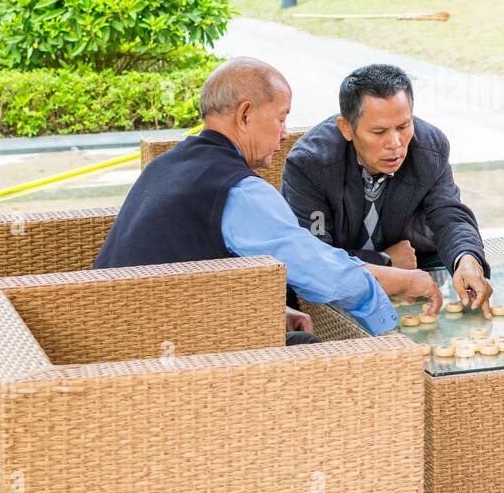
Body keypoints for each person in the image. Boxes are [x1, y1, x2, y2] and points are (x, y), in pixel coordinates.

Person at [93, 57, 442, 340]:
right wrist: (405, 283)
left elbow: (188, 264)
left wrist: (275, 311)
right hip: (159, 350)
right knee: (312, 351)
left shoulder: (168, 164)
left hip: (111, 327)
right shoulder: (240, 192)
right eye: (281, 117)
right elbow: (324, 274)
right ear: (245, 115)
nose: (285, 133)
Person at [281, 64, 494, 314]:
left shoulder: (430, 147)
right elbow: (315, 257)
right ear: (346, 128)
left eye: (404, 127)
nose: (395, 144)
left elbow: (450, 216)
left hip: (418, 269)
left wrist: (466, 258)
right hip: (341, 287)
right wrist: (385, 261)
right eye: (379, 131)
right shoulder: (311, 164)